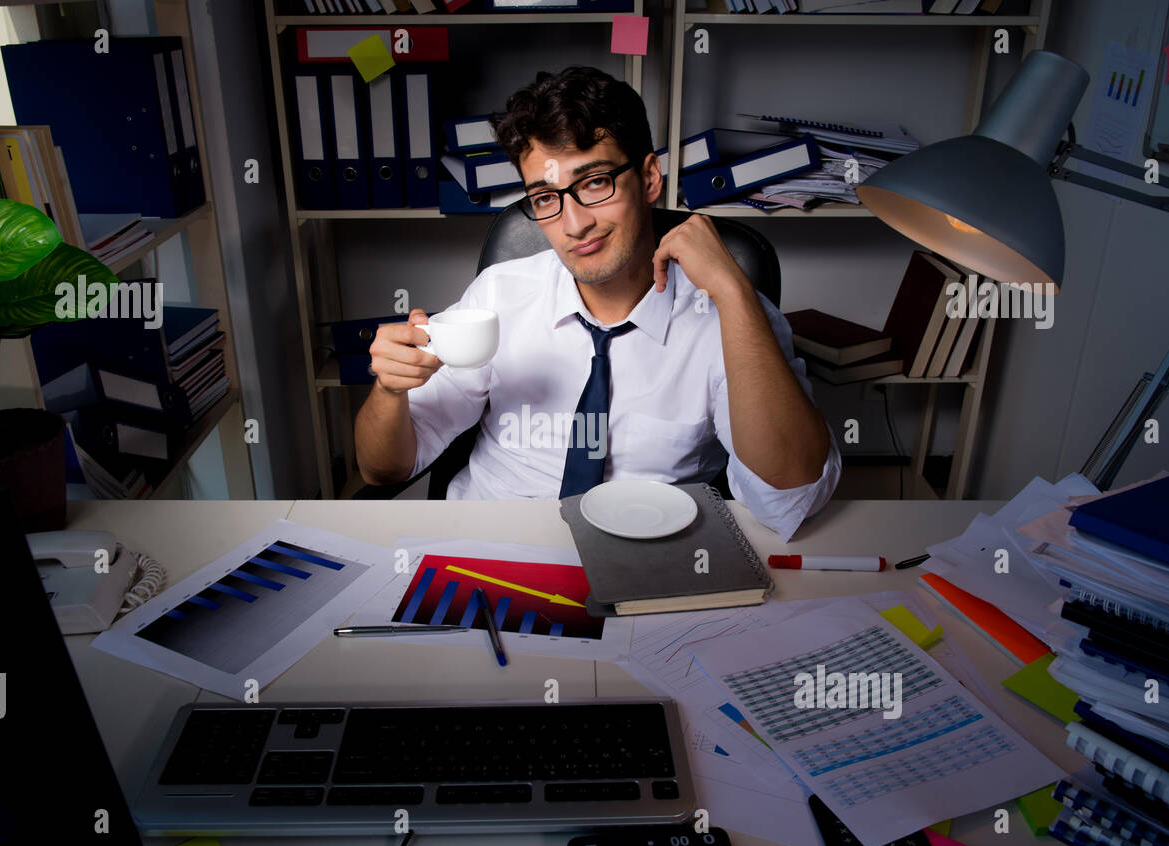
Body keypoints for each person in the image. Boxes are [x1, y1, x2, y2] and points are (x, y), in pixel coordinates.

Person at [355, 65, 841, 540]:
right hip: (487, 543)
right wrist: (390, 392)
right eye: (546, 197)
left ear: (650, 178)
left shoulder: (729, 312)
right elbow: (383, 470)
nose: (574, 225)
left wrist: (734, 294)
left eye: (594, 183)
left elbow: (792, 496)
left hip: (647, 553)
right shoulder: (498, 295)